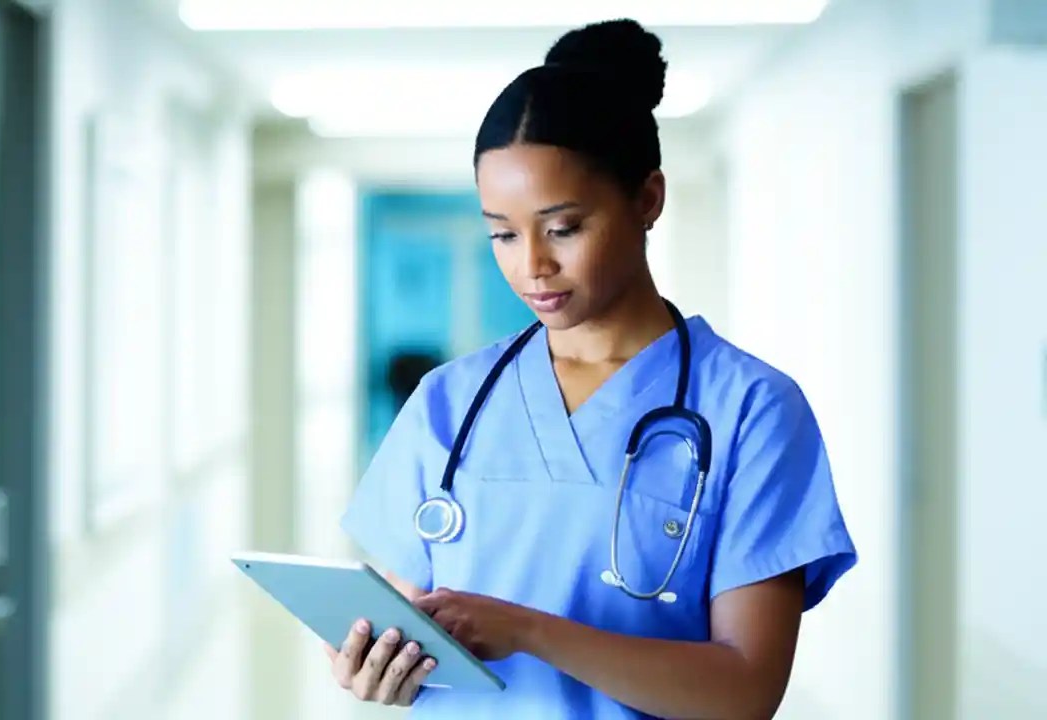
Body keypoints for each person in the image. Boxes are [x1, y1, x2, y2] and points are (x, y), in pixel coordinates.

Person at [326, 18, 857, 719]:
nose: (532, 265)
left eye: (564, 228)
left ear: (647, 199)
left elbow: (746, 689)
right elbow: (408, 618)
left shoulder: (750, 410)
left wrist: (528, 631)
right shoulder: (449, 402)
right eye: (503, 234)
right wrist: (373, 664)